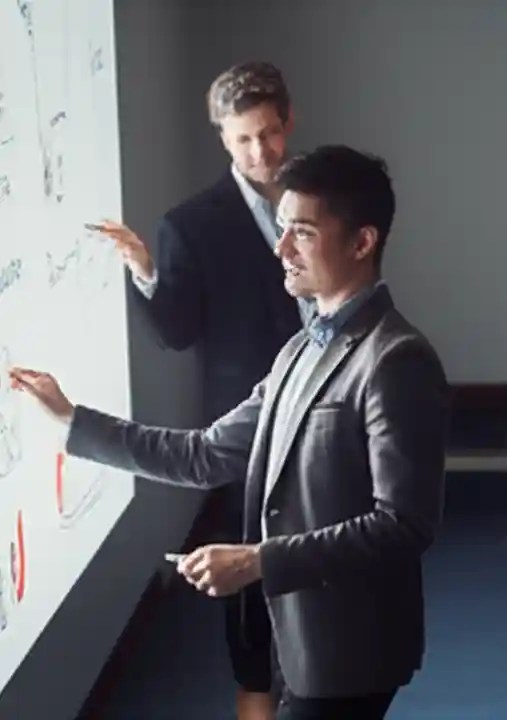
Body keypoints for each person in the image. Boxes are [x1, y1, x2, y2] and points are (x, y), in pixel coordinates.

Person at [14, 146, 447, 720]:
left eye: (302, 233)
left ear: (362, 242)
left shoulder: (396, 359)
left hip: (350, 651)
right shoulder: (299, 349)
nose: (281, 248)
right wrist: (73, 421)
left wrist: (257, 560)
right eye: (282, 228)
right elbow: (204, 454)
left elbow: (403, 526)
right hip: (295, 640)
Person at [91, 61, 308, 720]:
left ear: (288, 121)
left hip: (329, 410)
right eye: (243, 139)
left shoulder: (323, 196)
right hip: (247, 429)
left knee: (325, 576)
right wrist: (146, 272)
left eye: (269, 133)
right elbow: (177, 332)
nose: (260, 151)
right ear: (223, 138)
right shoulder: (190, 225)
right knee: (251, 597)